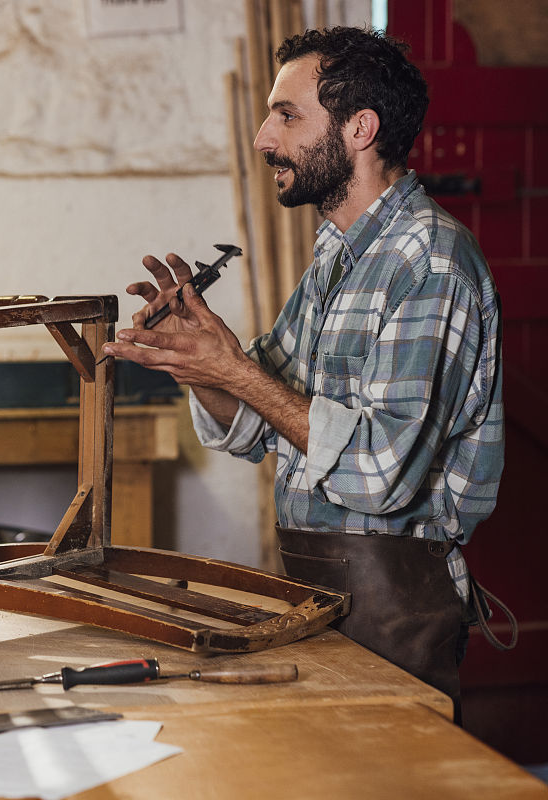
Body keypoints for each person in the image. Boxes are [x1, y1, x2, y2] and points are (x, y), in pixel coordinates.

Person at [101, 27, 508, 718]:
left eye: (287, 116)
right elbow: (260, 425)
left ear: (359, 128)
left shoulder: (429, 264)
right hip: (315, 588)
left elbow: (382, 472)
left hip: (395, 607)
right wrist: (197, 363)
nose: (264, 138)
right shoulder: (337, 258)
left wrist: (239, 371)